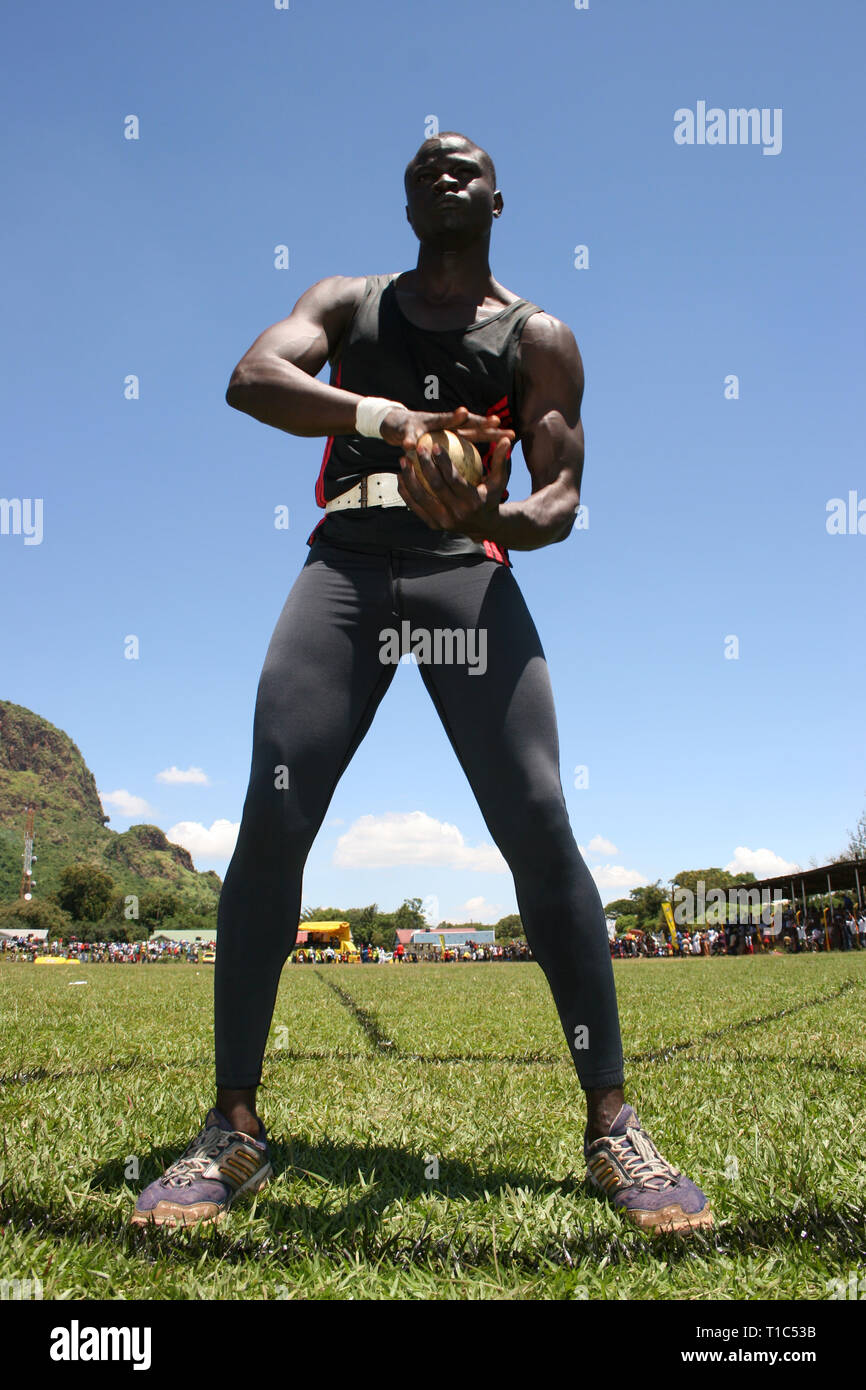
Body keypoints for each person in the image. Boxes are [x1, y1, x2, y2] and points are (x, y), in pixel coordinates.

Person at [132, 131, 711, 1236]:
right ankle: (234, 1125)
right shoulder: (350, 303)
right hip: (346, 566)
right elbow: (252, 377)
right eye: (421, 168)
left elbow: (558, 501)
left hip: (462, 573)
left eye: (463, 163)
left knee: (538, 819)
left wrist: (479, 511)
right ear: (408, 205)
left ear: (498, 196)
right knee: (276, 805)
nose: (442, 169)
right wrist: (390, 421)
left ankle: (611, 1121)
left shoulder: (535, 335)